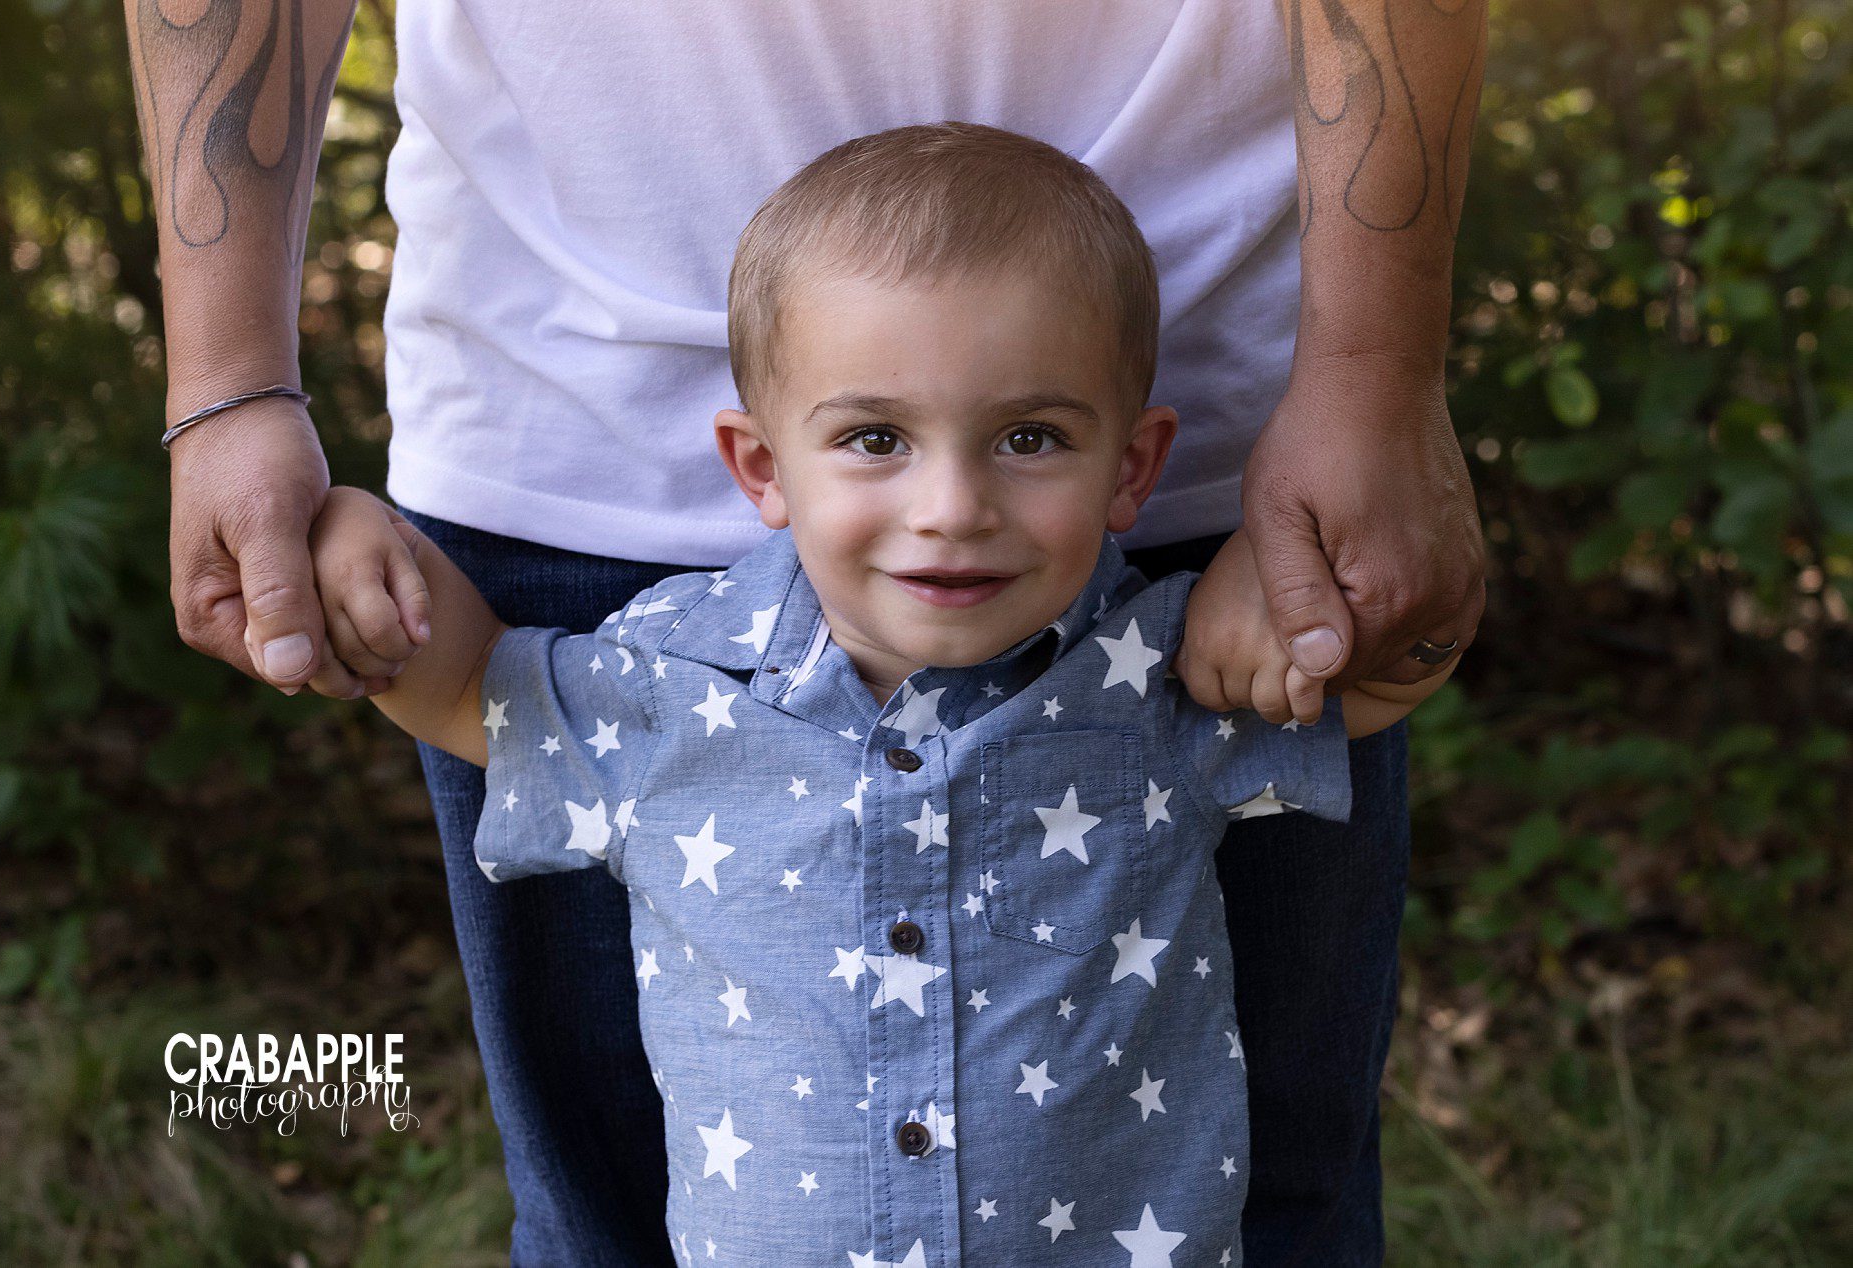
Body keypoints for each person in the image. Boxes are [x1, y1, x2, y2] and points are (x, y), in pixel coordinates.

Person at [124, 2, 1487, 1261]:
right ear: (760, 467)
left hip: (1250, 379)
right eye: (878, 440)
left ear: (1131, 466)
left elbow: (1381, 677)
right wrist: (350, 546)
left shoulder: (1159, 680)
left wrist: (1339, 595)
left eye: (1027, 439)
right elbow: (472, 691)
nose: (951, 510)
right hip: (556, 398)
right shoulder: (669, 696)